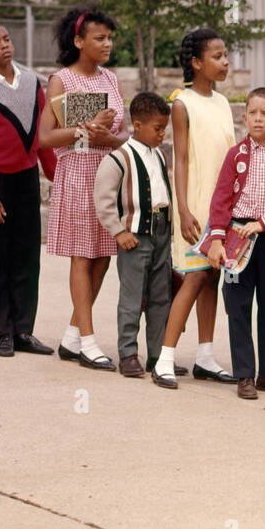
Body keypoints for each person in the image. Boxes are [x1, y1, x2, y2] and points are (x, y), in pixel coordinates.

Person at [37, 8, 129, 371]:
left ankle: (73, 336)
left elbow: (125, 133)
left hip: (109, 172)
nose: (107, 43)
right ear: (78, 41)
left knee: (105, 254)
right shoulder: (61, 80)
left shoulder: (112, 79)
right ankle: (90, 342)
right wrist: (85, 129)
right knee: (82, 254)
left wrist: (110, 136)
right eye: (99, 38)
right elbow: (45, 137)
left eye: (109, 37)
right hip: (77, 172)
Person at [0, 24, 57, 357]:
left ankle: (24, 331)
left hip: (27, 180)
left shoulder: (33, 83)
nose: (4, 46)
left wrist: (55, 175)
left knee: (28, 258)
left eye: (6, 39)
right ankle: (2, 331)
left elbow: (43, 137)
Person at [204, 88, 265, 400]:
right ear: (244, 117)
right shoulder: (235, 155)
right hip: (236, 238)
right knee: (237, 304)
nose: (258, 119)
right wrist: (217, 238)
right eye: (253, 113)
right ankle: (244, 374)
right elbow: (220, 197)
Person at [161, 28, 238, 386]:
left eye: (226, 56)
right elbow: (180, 160)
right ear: (196, 63)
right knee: (192, 279)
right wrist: (184, 210)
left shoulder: (222, 103)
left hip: (221, 209)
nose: (225, 62)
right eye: (218, 56)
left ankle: (205, 356)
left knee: (212, 279)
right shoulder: (182, 103)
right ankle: (165, 358)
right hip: (193, 207)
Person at [94, 92, 175, 384]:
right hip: (135, 236)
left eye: (164, 128)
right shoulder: (119, 158)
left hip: (162, 232)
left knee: (161, 297)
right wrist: (119, 230)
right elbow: (103, 199)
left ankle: (157, 356)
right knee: (131, 297)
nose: (162, 133)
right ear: (137, 125)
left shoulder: (159, 154)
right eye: (157, 128)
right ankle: (128, 353)